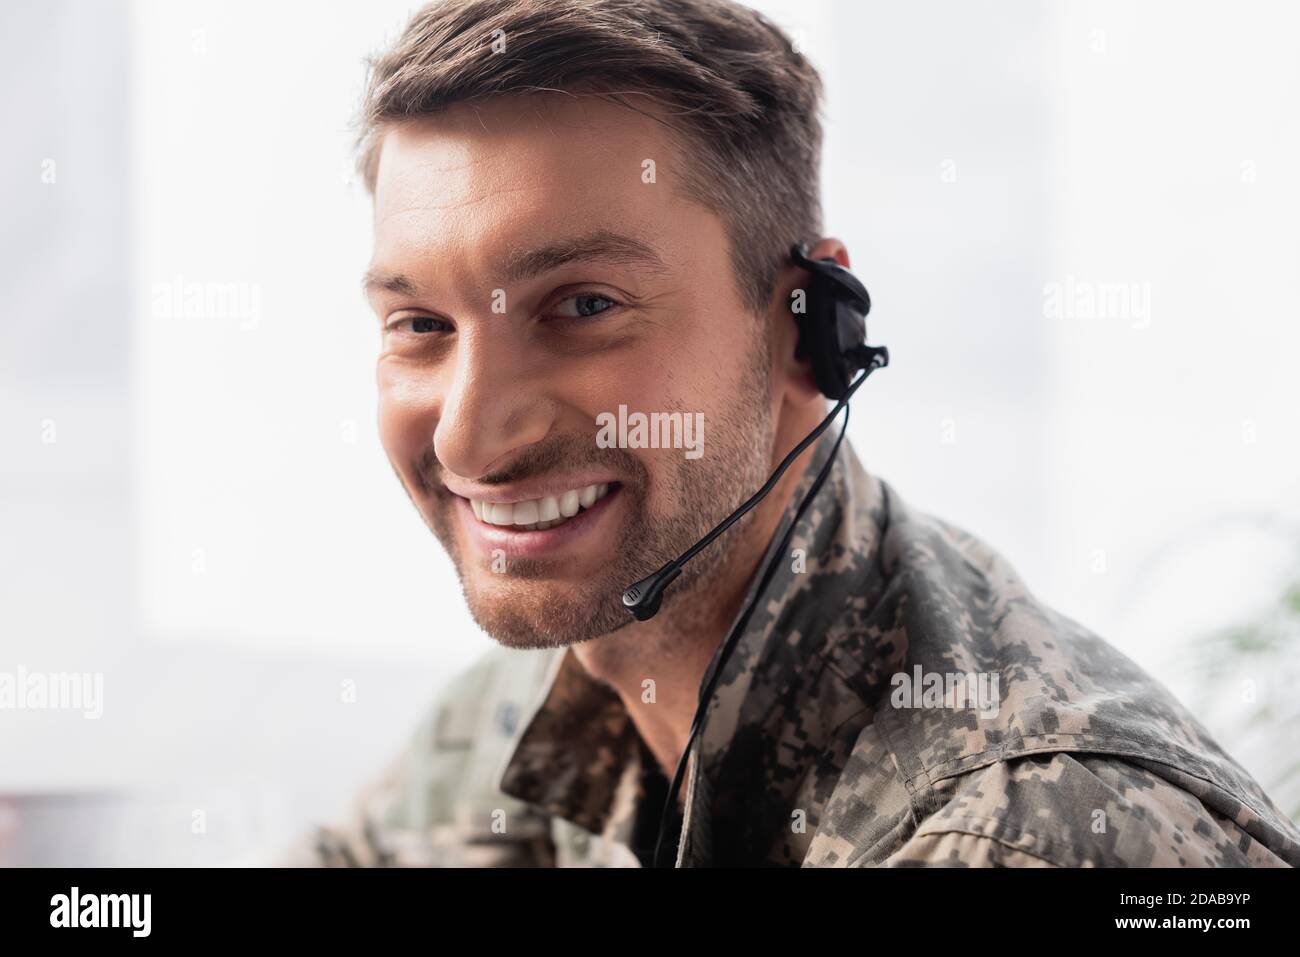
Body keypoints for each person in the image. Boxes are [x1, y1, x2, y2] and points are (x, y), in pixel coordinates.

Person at [281, 0, 1300, 867]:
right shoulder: (520, 709)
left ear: (804, 324)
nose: (469, 437)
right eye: (420, 325)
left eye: (583, 306)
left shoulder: (1027, 830)